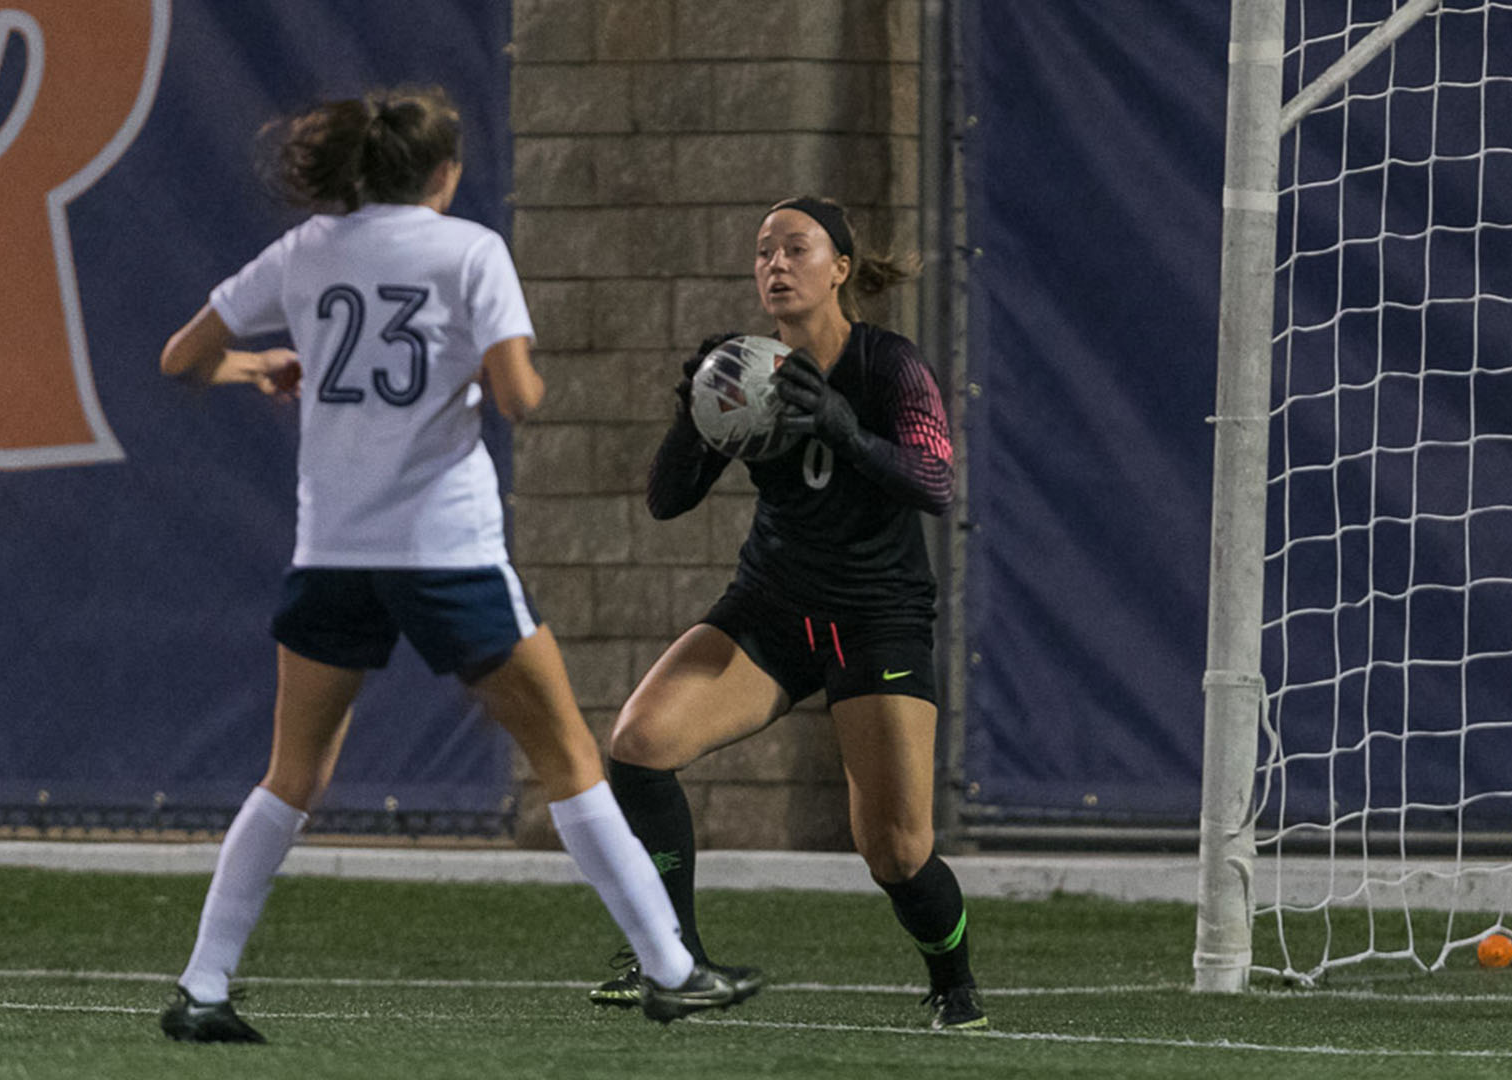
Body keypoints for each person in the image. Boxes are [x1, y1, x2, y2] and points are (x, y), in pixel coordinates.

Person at [154, 85, 758, 1042]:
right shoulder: (470, 249)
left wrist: (262, 367)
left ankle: (203, 988)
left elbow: (182, 358)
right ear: (443, 175)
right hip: (444, 554)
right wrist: (485, 364)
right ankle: (673, 970)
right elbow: (519, 395)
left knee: (291, 775)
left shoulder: (310, 248)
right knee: (565, 754)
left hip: (335, 553)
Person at [588, 195, 985, 1031]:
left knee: (896, 851)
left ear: (840, 268)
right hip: (773, 606)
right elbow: (665, 502)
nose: (774, 264)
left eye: (795, 248)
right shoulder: (748, 369)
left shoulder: (888, 365)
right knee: (638, 746)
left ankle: (954, 981)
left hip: (876, 617)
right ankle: (671, 956)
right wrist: (693, 416)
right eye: (763, 251)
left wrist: (847, 431)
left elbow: (937, 484)